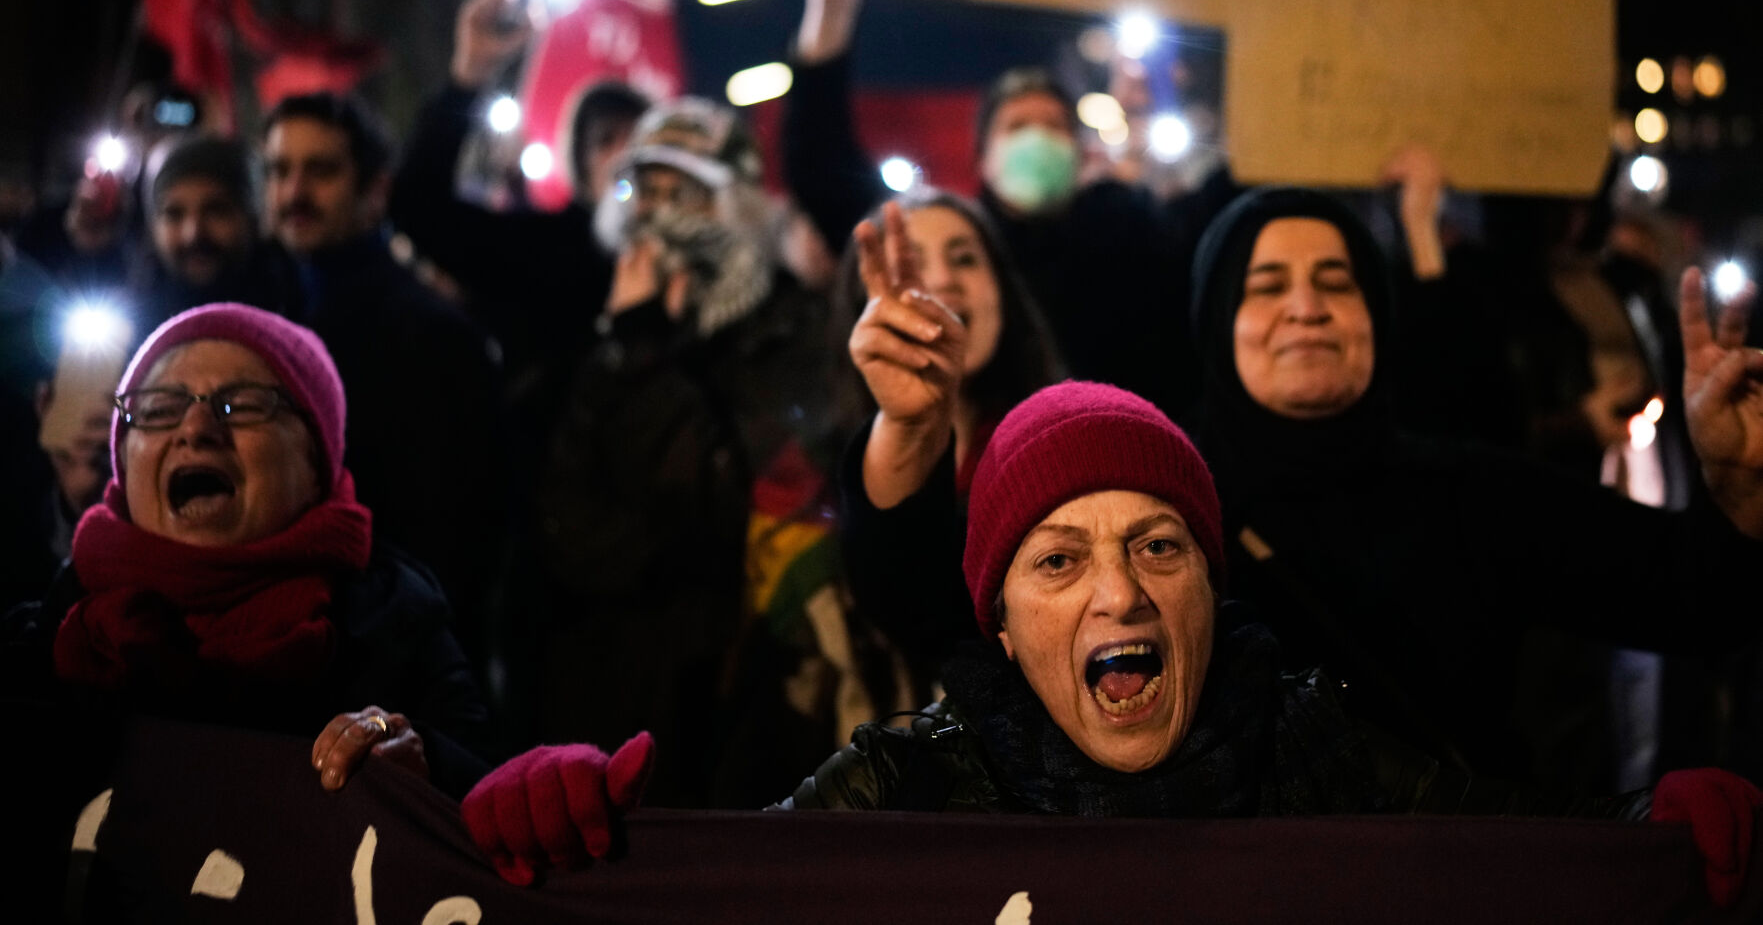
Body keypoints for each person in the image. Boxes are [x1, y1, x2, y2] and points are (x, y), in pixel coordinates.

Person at [461, 383, 1763, 908]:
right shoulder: (906, 785)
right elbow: (723, 893)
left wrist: (1658, 829)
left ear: (1206, 583)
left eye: (1156, 545)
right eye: (1057, 559)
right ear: (999, 620)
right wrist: (571, 842)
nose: (1118, 597)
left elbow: (1519, 861)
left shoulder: (1315, 747)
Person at [1184, 185, 1763, 783]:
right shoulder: (1168, 514)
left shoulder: (1469, 493)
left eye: (1337, 283)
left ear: (1376, 314)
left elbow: (1697, 594)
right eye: (1268, 287)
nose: (1307, 308)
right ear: (1218, 319)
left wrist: (1740, 485)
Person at [0, 303, 491, 798]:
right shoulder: (48, 631)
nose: (196, 429)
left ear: (315, 463)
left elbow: (485, 789)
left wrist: (422, 760)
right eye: (159, 409)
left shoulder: (401, 629)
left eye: (246, 404)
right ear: (123, 463)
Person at [781, 0, 1234, 420]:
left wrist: (1250, 1)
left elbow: (1235, 201)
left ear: (1079, 151)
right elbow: (821, 167)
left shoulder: (1136, 239)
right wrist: (832, 1)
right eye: (1017, 127)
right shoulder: (956, 239)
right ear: (984, 159)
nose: (1037, 138)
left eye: (1055, 127)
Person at [534, 97, 839, 808]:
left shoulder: (788, 334)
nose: (659, 215)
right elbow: (563, 522)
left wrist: (641, 352)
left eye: (684, 192)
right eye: (646, 191)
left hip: (739, 710)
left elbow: (722, 509)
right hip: (608, 692)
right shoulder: (606, 333)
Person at [261, 92, 510, 682]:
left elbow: (455, 536)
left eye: (321, 171)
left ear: (374, 190)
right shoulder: (262, 312)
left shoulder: (433, 334)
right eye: (278, 170)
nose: (294, 192)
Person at [389, 0, 650, 431]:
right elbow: (418, 205)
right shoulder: (544, 250)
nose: (624, 154)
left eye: (640, 137)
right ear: (580, 163)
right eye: (606, 139)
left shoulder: (702, 252)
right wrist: (469, 76)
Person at [831, 192, 1060, 686]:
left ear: (1003, 291)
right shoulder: (816, 470)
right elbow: (909, 610)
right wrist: (909, 427)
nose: (941, 281)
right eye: (911, 265)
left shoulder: (1068, 445)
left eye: (964, 259)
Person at [129, 135, 303, 333]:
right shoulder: (130, 325)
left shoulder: (297, 311)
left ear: (253, 219)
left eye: (215, 211)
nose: (193, 234)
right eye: (174, 214)